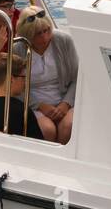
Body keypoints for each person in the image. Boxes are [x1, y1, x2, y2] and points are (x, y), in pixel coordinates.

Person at [16, 7, 78, 144]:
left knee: (69, 126)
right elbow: (15, 87)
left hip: (65, 98)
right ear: (28, 34)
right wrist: (40, 105)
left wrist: (66, 104)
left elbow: (76, 78)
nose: (44, 37)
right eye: (38, 34)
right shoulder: (18, 48)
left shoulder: (64, 40)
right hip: (33, 102)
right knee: (47, 129)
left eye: (47, 30)